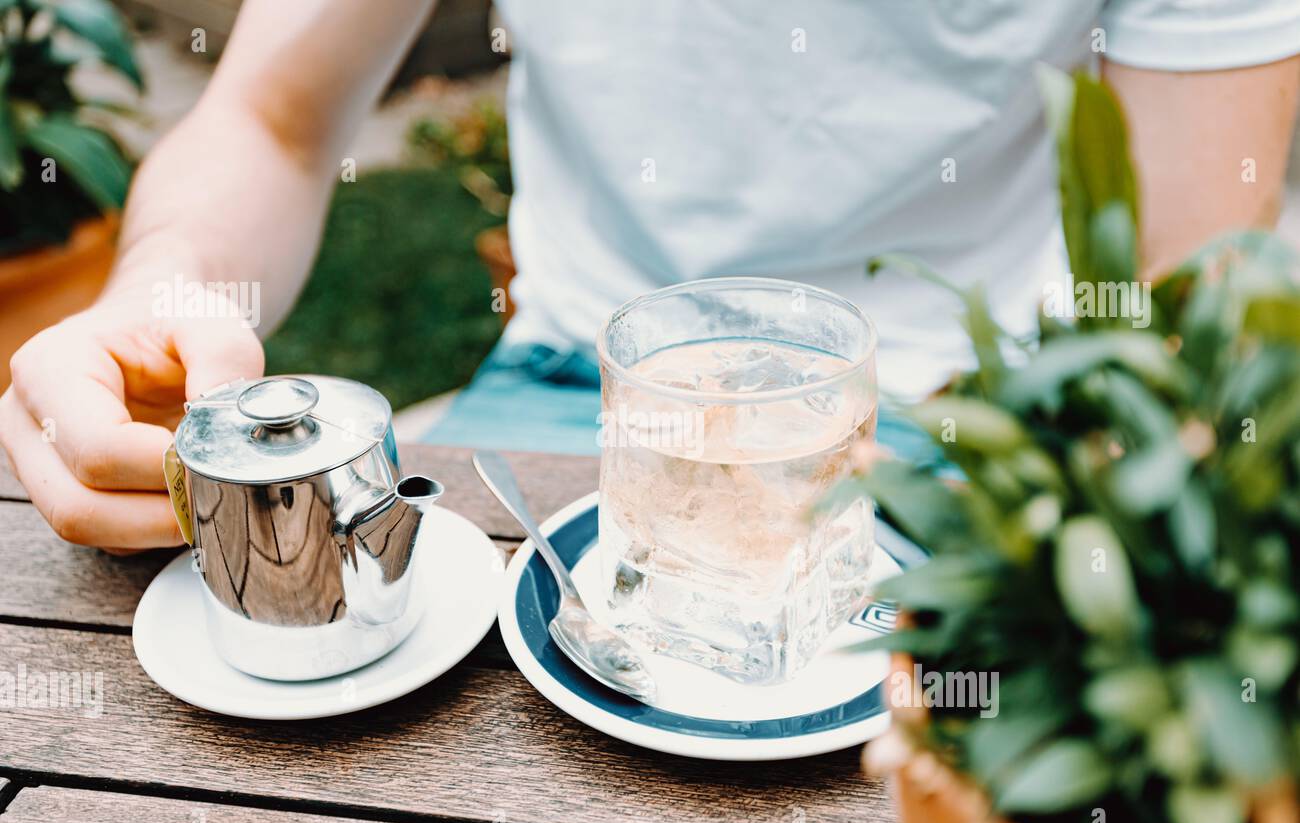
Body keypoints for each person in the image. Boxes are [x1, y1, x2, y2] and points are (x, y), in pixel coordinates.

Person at [2, 0, 1298, 551]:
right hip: (572, 405)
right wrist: (162, 303)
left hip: (978, 428)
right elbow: (272, 122)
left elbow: (1178, 305)